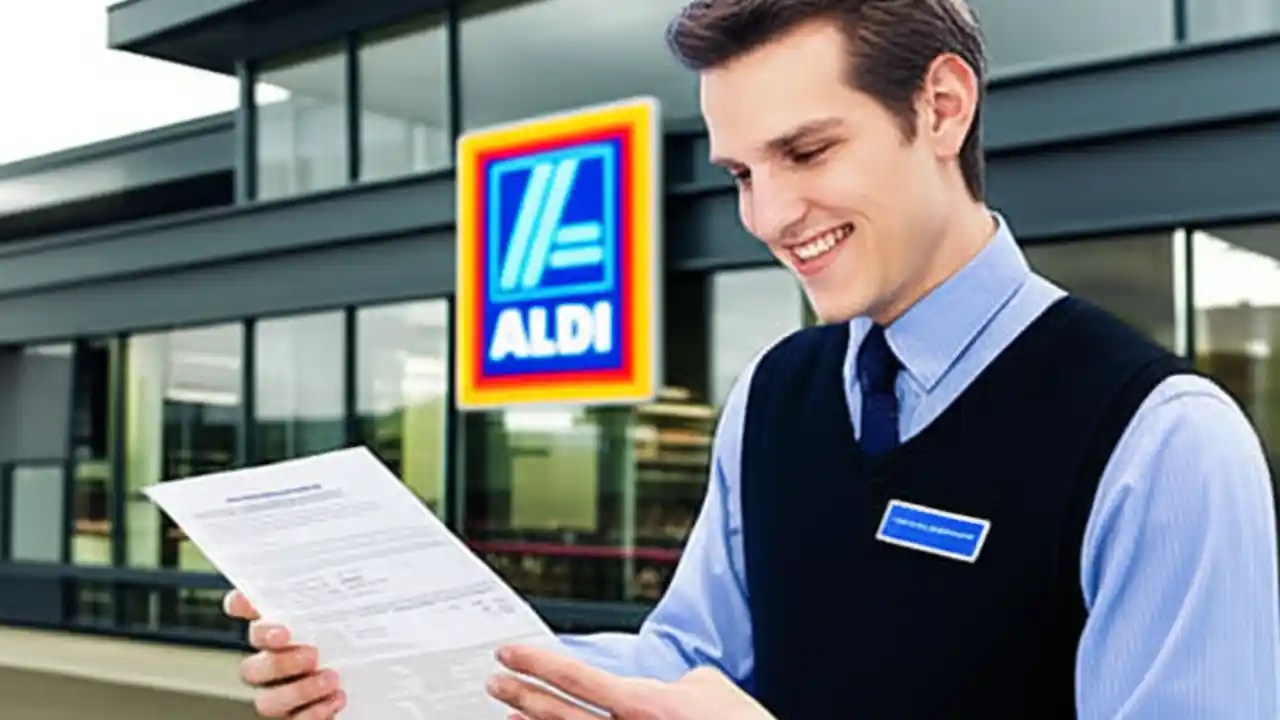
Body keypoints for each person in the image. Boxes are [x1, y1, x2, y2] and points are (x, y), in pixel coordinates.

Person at [227, 0, 1280, 717]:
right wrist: (383, 670)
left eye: (807, 151)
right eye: (739, 171)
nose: (769, 214)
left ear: (940, 106)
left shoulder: (1160, 443)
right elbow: (688, 665)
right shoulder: (776, 394)